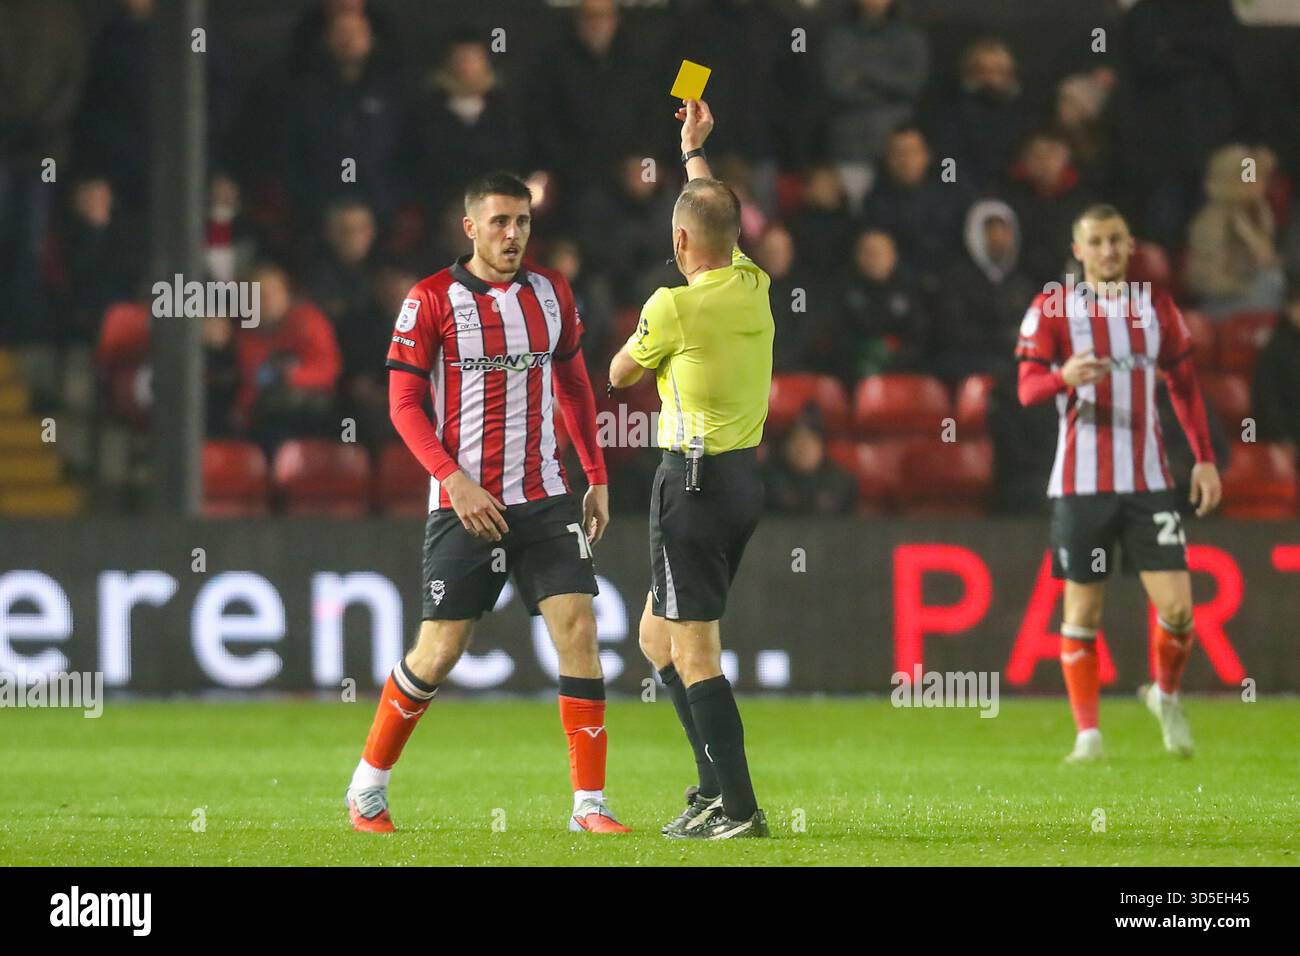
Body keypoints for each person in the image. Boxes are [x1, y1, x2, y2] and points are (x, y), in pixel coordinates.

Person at [345, 172, 628, 835]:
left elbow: (575, 385)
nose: (512, 234)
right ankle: (368, 785)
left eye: (522, 221)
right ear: (470, 228)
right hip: (463, 503)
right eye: (499, 222)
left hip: (544, 496)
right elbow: (403, 405)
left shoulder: (552, 293)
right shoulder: (430, 299)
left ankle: (590, 804)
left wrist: (595, 472)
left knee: (579, 630)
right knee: (440, 651)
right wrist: (454, 479)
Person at [609, 99, 773, 839]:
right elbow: (710, 211)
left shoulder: (671, 305)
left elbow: (617, 376)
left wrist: (643, 337)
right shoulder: (753, 283)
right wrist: (692, 152)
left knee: (695, 651)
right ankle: (712, 787)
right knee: (656, 638)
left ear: (678, 240)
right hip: (740, 482)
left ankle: (739, 811)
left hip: (693, 484)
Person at [1015, 204, 1222, 764]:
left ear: (1129, 247)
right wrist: (1062, 376)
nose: (1107, 251)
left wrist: (1203, 459)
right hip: (1080, 486)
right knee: (1082, 613)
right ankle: (1088, 735)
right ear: (1078, 250)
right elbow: (1027, 389)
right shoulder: (1053, 307)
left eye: (1116, 240)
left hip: (1149, 480)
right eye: (1096, 242)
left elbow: (1183, 384)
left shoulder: (1155, 307)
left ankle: (1166, 695)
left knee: (1179, 609)